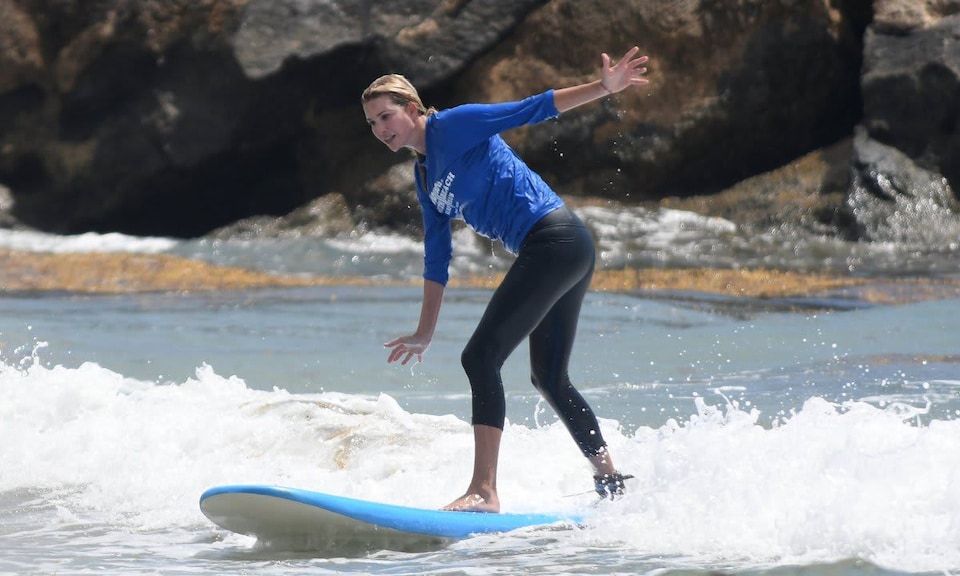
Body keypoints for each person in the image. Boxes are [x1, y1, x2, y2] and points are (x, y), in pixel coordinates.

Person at [361, 47, 650, 512]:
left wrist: (603, 87)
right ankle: (610, 479)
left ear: (412, 109)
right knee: (548, 377)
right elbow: (437, 255)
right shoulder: (425, 176)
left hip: (555, 239)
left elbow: (532, 108)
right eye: (372, 123)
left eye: (385, 116)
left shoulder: (454, 125)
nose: (380, 129)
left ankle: (484, 490)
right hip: (563, 248)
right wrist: (425, 331)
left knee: (480, 357)